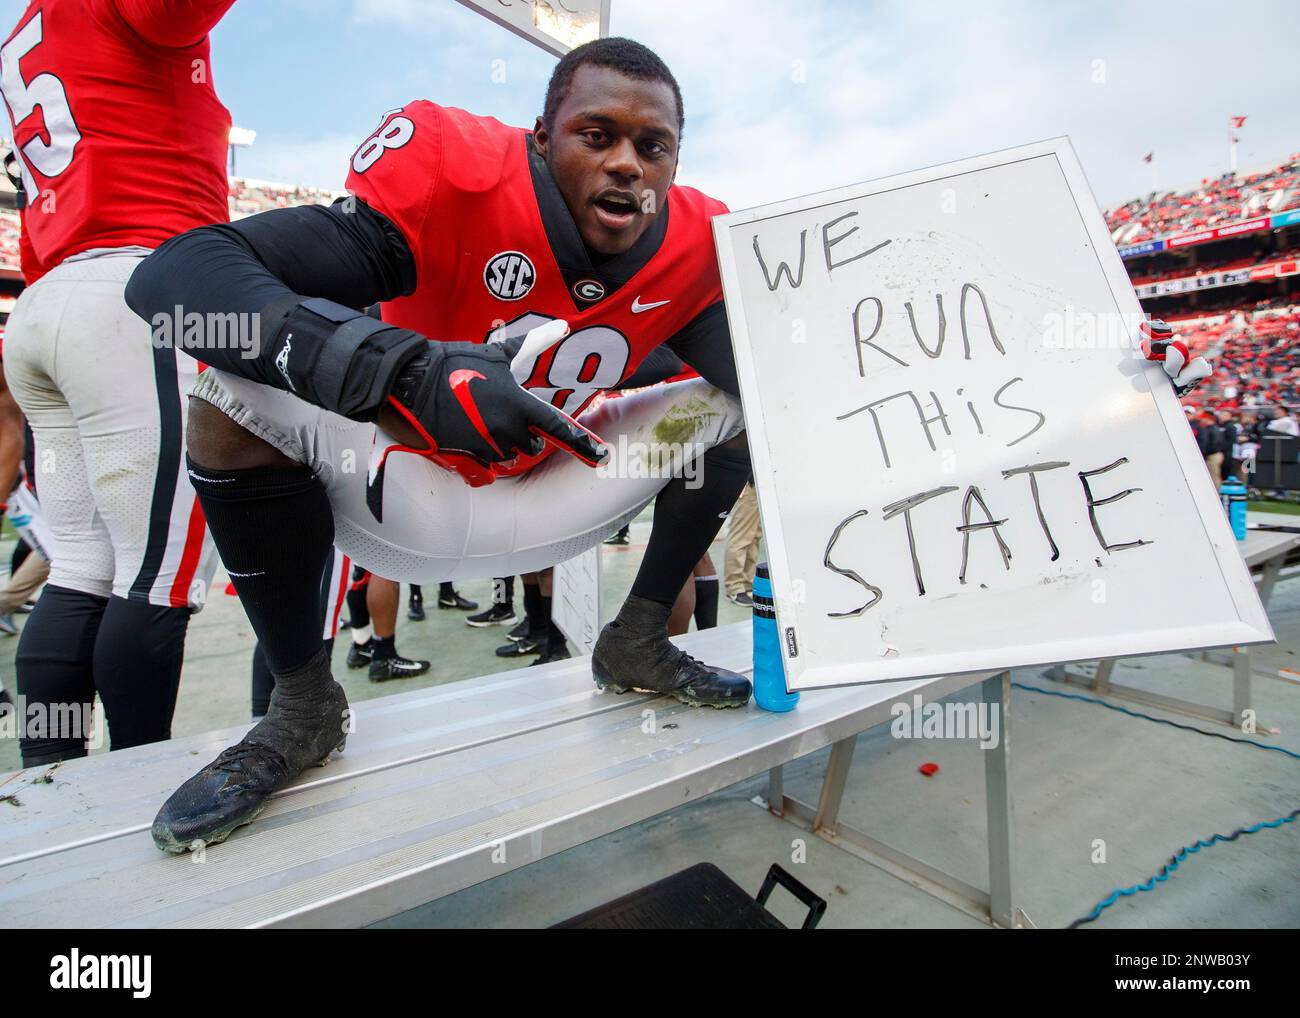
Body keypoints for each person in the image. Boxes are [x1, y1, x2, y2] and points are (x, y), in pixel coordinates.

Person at [126, 37, 754, 851]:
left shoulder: (696, 243)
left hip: (558, 495)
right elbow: (173, 282)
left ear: (675, 161)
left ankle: (636, 638)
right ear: (541, 138)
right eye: (597, 135)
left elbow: (770, 378)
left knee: (733, 401)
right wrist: (398, 370)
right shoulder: (456, 174)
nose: (628, 163)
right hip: (401, 484)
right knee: (226, 386)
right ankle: (303, 705)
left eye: (652, 145)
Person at [1, 0, 233, 765]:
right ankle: (135, 792)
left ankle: (50, 789)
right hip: (140, 289)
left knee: (79, 567)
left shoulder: (28, 24)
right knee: (158, 578)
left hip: (51, 302)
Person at [724, 480, 762, 607]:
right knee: (740, 537)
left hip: (759, 483)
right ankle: (734, 588)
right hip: (747, 484)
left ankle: (747, 584)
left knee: (754, 536)